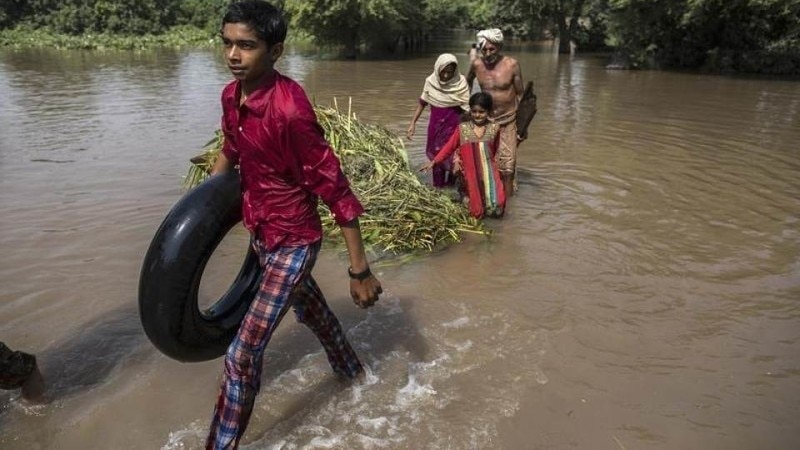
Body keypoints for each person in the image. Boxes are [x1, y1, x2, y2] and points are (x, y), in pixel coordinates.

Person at [206, 2, 383, 448]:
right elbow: (230, 148)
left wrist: (359, 270)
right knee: (316, 316)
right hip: (261, 233)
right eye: (227, 43)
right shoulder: (232, 95)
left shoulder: (290, 110)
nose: (233, 55)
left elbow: (335, 187)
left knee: (241, 355)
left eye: (246, 46)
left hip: (295, 241)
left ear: (275, 49)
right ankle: (354, 375)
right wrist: (202, 210)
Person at [420, 92, 505, 219]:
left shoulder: (495, 128)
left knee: (498, 204)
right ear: (470, 111)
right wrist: (434, 161)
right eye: (474, 111)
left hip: (489, 173)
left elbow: (495, 149)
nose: (477, 115)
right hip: (470, 174)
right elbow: (449, 147)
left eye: (481, 112)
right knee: (476, 211)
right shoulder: (463, 129)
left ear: (488, 111)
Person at [466, 28, 524, 199]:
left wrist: (523, 125)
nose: (488, 53)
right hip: (485, 121)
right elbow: (466, 82)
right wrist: (467, 108)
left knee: (507, 168)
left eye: (492, 49)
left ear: (499, 47)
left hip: (508, 121)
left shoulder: (512, 65)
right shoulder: (477, 64)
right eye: (484, 49)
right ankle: (488, 199)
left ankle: (507, 206)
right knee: (484, 164)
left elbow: (520, 94)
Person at [406, 53, 469, 188]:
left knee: (454, 159)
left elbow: (467, 111)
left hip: (454, 130)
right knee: (437, 159)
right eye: (443, 72)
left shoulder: (460, 83)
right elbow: (422, 103)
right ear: (437, 69)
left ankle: (452, 186)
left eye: (450, 72)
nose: (446, 76)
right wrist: (413, 123)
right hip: (436, 130)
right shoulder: (430, 82)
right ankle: (439, 189)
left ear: (455, 72)